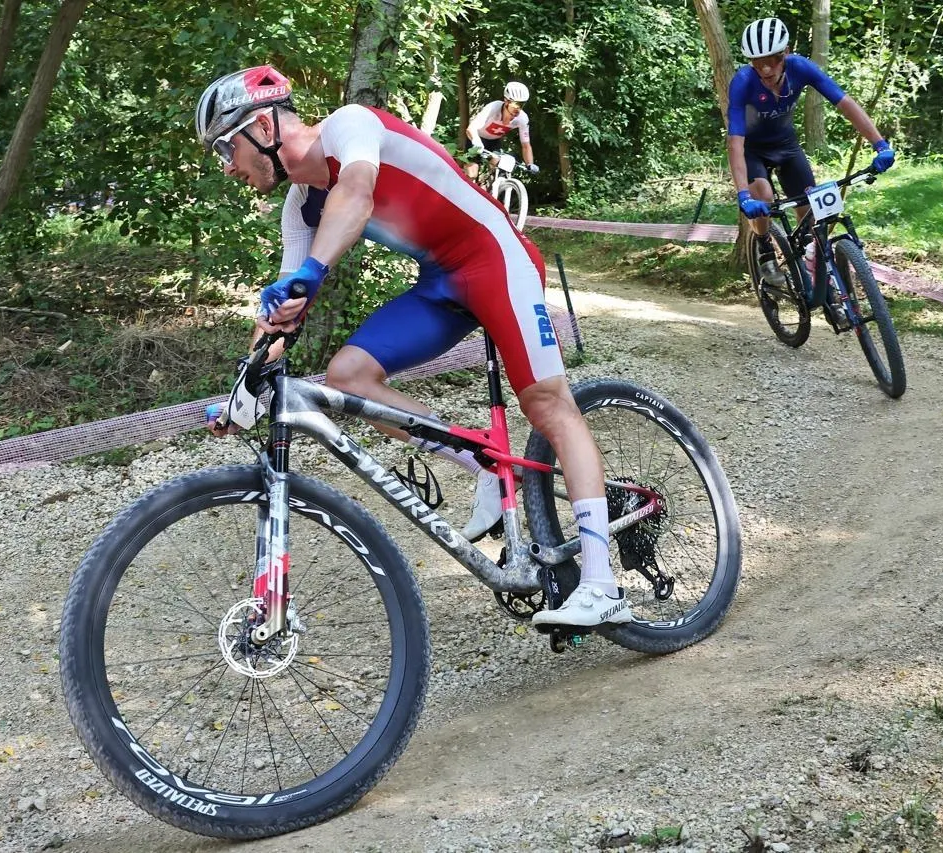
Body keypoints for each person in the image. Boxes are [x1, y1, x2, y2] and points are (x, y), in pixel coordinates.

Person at [197, 65, 628, 628]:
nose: (227, 166)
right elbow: (279, 315)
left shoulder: (348, 126)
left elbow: (355, 191)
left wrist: (311, 272)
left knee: (547, 404)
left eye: (226, 148)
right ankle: (483, 464)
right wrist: (243, 387)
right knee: (347, 376)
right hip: (441, 282)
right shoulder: (299, 206)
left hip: (498, 259)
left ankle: (603, 584)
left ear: (262, 127)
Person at [728, 17, 895, 287]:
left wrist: (880, 144)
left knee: (810, 212)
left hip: (786, 145)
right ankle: (765, 249)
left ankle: (814, 271)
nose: (767, 69)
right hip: (753, 150)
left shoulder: (800, 68)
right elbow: (735, 142)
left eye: (773, 59)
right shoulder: (743, 82)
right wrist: (743, 195)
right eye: (758, 63)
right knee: (764, 195)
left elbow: (845, 103)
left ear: (786, 53)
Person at [464, 81, 539, 182]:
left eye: (522, 105)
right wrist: (476, 142)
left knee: (501, 170)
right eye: (516, 104)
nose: (518, 109)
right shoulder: (493, 107)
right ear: (506, 101)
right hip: (476, 138)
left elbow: (526, 145)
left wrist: (530, 164)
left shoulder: (522, 118)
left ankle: (492, 190)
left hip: (494, 142)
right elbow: (471, 129)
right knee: (472, 174)